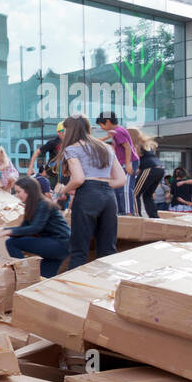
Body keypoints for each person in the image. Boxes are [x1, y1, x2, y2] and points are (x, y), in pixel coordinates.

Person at [54, 113, 126, 269]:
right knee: (108, 251)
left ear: (70, 130)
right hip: (108, 198)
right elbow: (121, 180)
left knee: (79, 251)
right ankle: (106, 290)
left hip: (87, 197)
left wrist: (63, 190)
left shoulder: (71, 149)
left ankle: (73, 291)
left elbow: (78, 179)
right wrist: (100, 186)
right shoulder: (106, 148)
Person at [0, 176, 71, 278]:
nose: (16, 195)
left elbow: (35, 228)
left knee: (11, 242)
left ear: (28, 191)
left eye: (18, 192)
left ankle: (23, 272)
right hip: (61, 247)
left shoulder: (44, 204)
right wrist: (6, 231)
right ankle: (28, 277)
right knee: (42, 278)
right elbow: (24, 228)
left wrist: (6, 231)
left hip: (59, 244)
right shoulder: (33, 206)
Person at [96, 111, 138, 215]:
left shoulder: (118, 131)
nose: (101, 128)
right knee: (118, 188)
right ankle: (121, 211)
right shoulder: (115, 131)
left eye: (101, 125)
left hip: (130, 161)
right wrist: (107, 137)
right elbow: (96, 142)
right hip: (123, 162)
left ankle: (129, 212)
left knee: (126, 188)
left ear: (107, 121)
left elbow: (127, 147)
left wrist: (128, 164)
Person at [128, 128, 165, 218]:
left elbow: (135, 160)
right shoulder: (146, 145)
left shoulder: (135, 145)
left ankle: (137, 216)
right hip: (160, 169)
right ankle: (154, 217)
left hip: (150, 169)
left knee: (134, 193)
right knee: (147, 195)